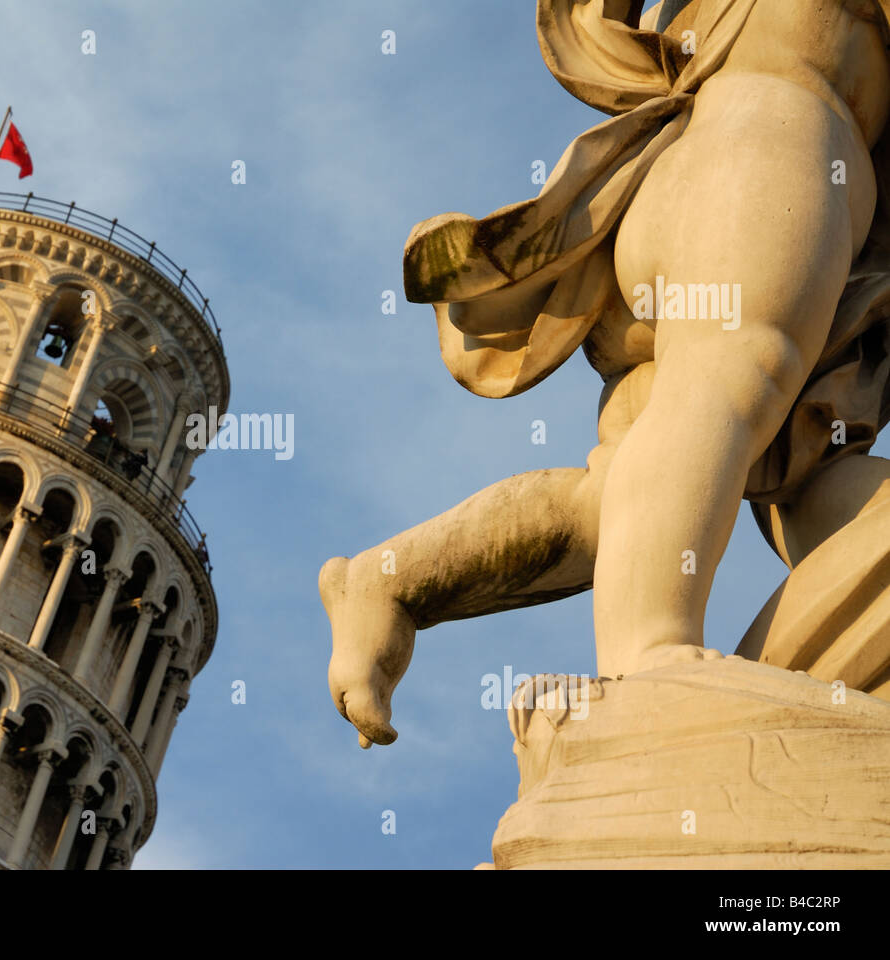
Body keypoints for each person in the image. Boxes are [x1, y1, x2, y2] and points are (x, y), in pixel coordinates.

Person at [322, 0, 890, 748]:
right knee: (731, 379)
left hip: (763, 177)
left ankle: (395, 578)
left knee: (644, 485)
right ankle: (648, 663)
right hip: (771, 142)